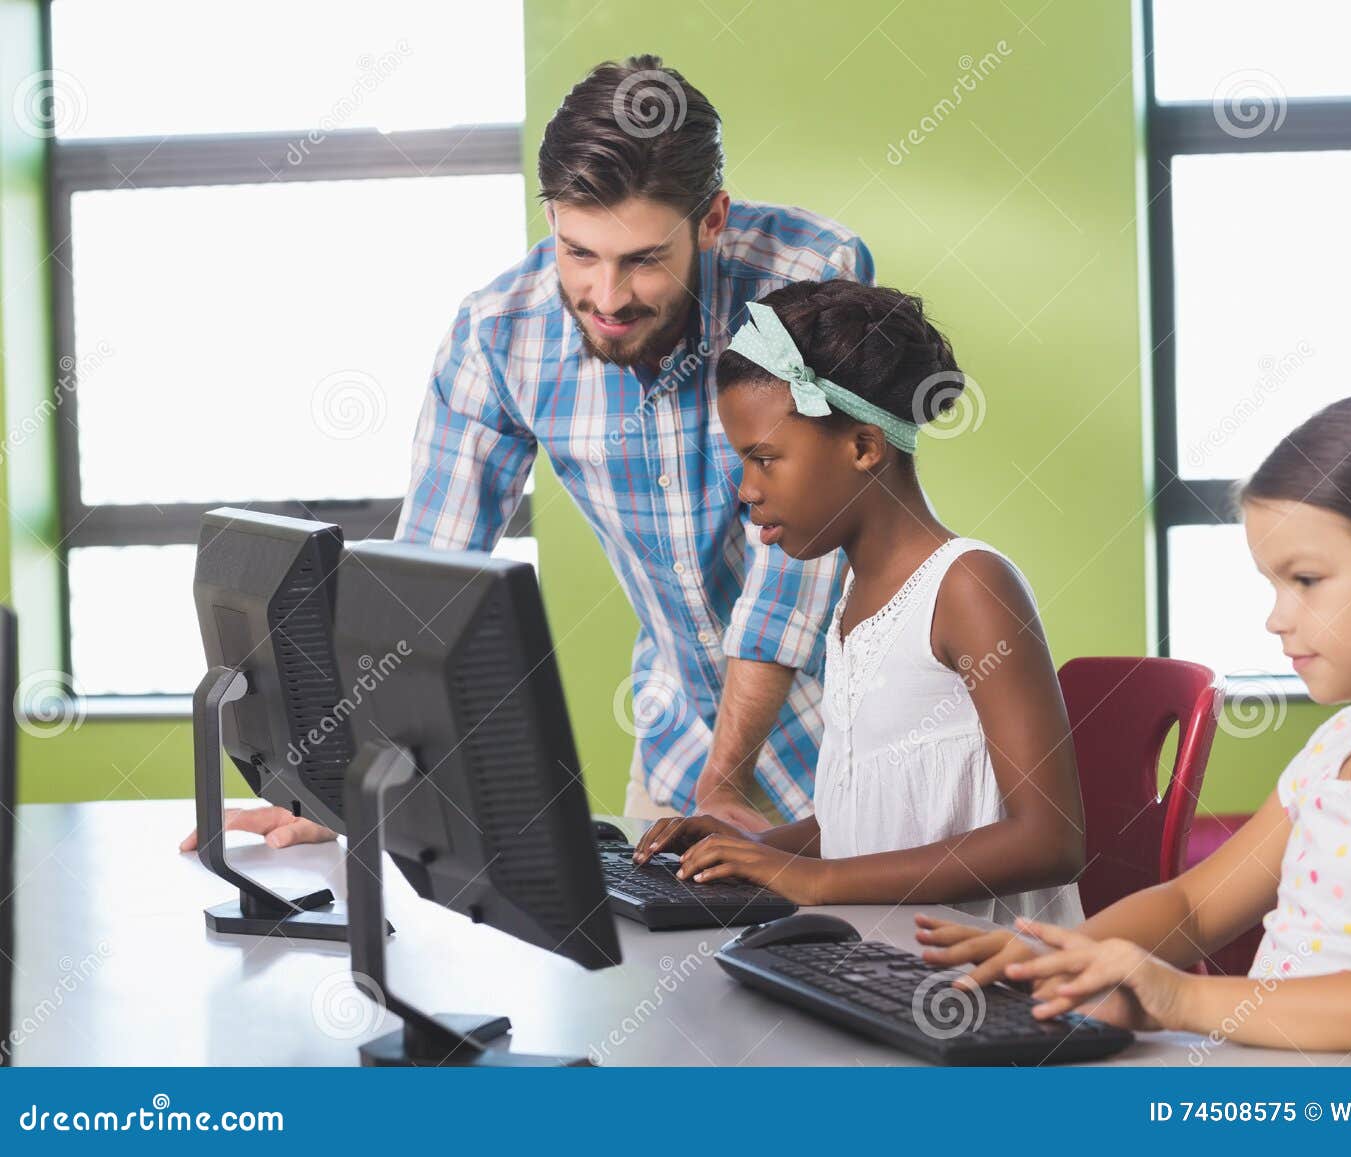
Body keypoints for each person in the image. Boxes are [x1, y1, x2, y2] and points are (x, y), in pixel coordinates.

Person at [182, 54, 872, 855]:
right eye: (580, 252)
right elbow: (426, 582)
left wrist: (728, 779)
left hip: (859, 738)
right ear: (551, 218)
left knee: (866, 969)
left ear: (712, 220)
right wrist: (343, 789)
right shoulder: (499, 334)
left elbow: (793, 579)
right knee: (675, 974)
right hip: (683, 746)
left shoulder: (807, 278)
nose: (608, 297)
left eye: (643, 258)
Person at [917, 393, 1351, 1064]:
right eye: (1274, 584)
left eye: (1305, 579)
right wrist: (1063, 955)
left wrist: (1179, 999)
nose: (1277, 616)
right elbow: (1193, 905)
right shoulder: (1343, 743)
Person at [631, 280, 1085, 924]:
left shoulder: (970, 587)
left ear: (864, 447)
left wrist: (814, 882)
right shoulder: (853, 598)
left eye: (764, 459)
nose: (745, 490)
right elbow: (871, 816)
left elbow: (1051, 840)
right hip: (887, 954)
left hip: (986, 978)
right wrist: (751, 847)